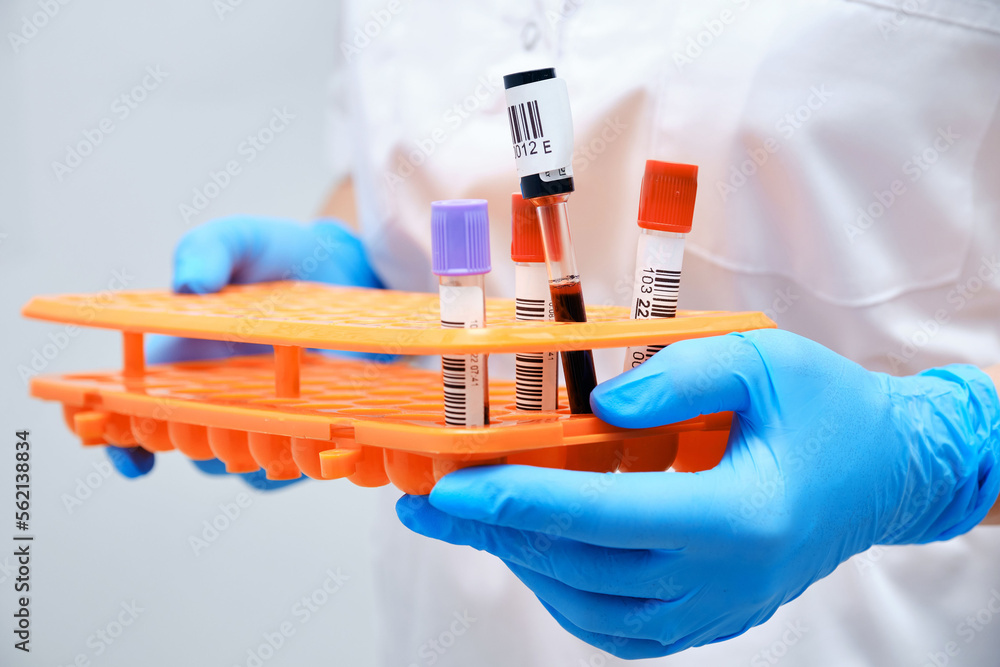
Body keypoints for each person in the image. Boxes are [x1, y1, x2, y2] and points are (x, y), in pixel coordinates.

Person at [111, 1, 1000, 664]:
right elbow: (397, 180)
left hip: (867, 620)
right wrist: (335, 292)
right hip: (460, 613)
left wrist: (937, 459)